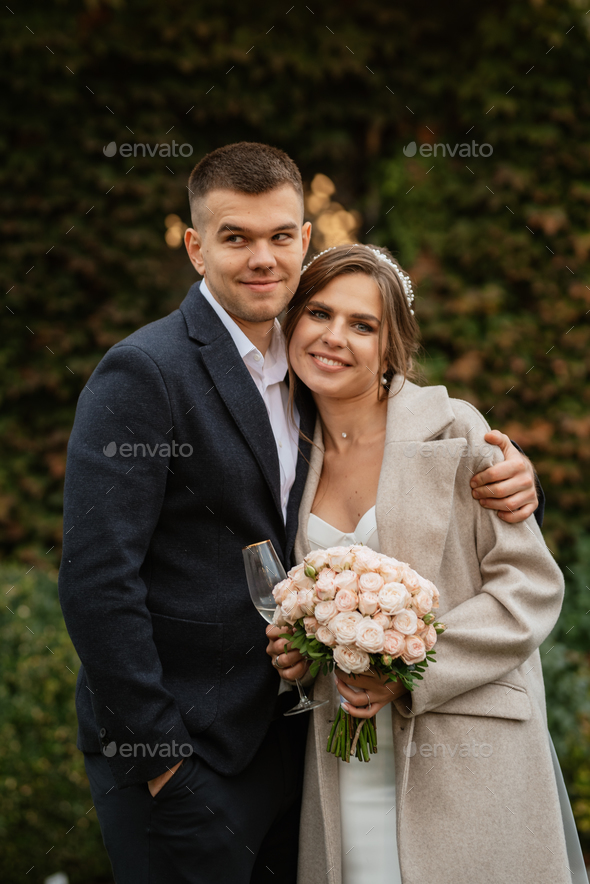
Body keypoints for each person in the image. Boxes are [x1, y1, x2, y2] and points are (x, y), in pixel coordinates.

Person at [59, 142, 542, 884]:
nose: (263, 259)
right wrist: (162, 763)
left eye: (280, 236)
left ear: (304, 239)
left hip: (295, 758)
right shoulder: (145, 372)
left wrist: (510, 471)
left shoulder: (303, 378)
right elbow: (97, 581)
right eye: (235, 237)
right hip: (187, 758)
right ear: (195, 247)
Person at [266, 243, 588, 884]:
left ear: (391, 349)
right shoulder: (286, 448)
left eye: (363, 325)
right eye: (319, 313)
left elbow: (528, 586)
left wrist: (408, 670)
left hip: (464, 748)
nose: (334, 337)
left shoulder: (457, 431)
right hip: (343, 755)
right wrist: (297, 654)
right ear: (291, 323)